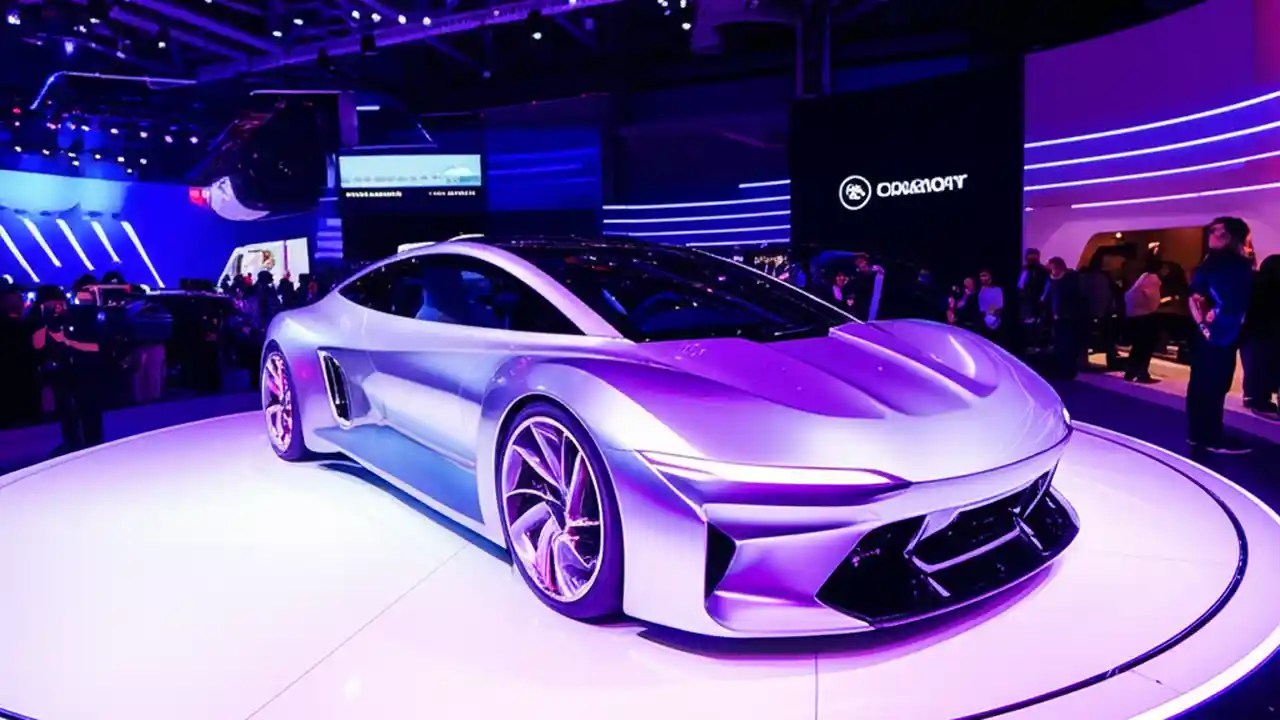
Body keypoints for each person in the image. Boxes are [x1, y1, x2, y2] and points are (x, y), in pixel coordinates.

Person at [1186, 217, 1255, 454]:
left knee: (1200, 386)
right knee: (1212, 386)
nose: (1213, 236)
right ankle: (1210, 437)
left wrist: (1204, 329)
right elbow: (1232, 306)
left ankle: (1199, 435)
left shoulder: (1208, 263)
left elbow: (1196, 298)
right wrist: (1217, 334)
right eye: (1213, 231)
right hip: (1219, 336)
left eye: (1221, 233)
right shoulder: (1236, 265)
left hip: (1205, 335)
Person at [28, 285, 105, 453]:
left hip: (83, 372)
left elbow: (95, 347)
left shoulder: (80, 319)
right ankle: (74, 443)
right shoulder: (38, 324)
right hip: (60, 374)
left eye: (59, 304)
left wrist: (69, 341)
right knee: (67, 410)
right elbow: (37, 345)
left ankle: (92, 443)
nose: (57, 308)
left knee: (87, 409)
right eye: (52, 305)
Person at [1241, 254, 1280, 420]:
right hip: (1270, 334)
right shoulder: (1274, 288)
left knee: (1254, 366)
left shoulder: (1253, 284)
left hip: (1252, 332)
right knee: (1267, 367)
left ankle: (1253, 397)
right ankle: (1259, 401)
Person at [1044, 257, 1086, 379]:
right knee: (1059, 345)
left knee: (1069, 345)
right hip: (1056, 318)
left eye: (1052, 266)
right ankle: (1061, 370)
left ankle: (1069, 371)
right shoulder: (1050, 280)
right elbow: (1045, 298)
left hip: (1069, 317)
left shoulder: (1070, 279)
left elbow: (1076, 298)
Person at [1123, 257, 1164, 383]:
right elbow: (1153, 300)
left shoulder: (1142, 278)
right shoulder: (1153, 279)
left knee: (1138, 346)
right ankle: (1142, 373)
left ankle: (1131, 371)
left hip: (1133, 316)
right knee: (1146, 346)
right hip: (1146, 316)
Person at [1018, 249, 1050, 350]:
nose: (1030, 258)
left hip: (1038, 304)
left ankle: (1038, 347)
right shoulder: (1024, 270)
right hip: (1026, 303)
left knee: (1037, 327)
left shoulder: (1043, 271)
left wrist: (1042, 298)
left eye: (1033, 256)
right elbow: (1020, 285)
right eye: (1029, 256)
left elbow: (1047, 286)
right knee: (1027, 327)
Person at [977, 268, 1004, 340]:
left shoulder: (997, 289)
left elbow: (999, 305)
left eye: (985, 276)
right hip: (982, 321)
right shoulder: (980, 291)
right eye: (981, 276)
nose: (983, 278)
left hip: (995, 320)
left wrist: (993, 314)